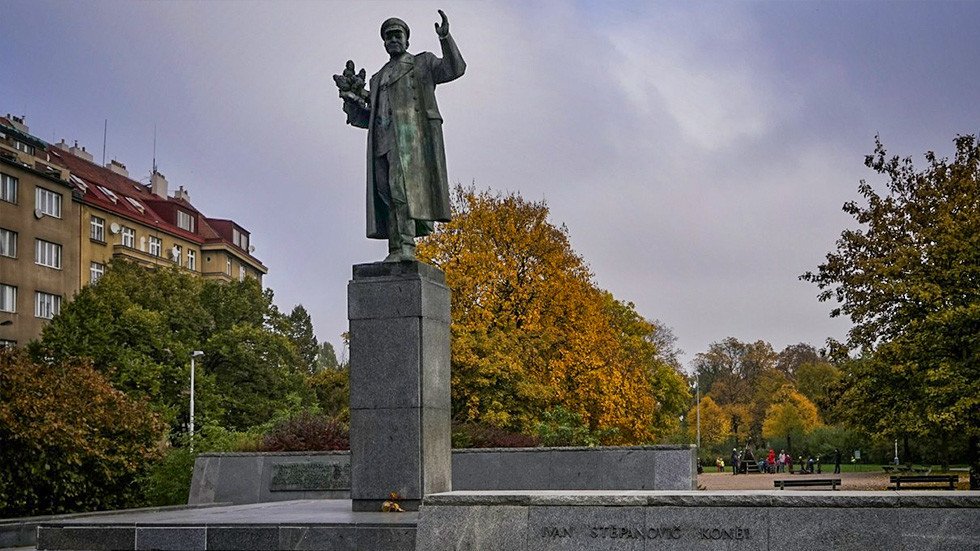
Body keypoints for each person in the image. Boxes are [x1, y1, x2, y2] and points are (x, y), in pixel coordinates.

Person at [339, 11, 466, 262]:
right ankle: (396, 248)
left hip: (411, 143)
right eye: (388, 36)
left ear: (407, 39)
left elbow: (455, 68)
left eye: (397, 35)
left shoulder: (422, 63)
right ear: (384, 42)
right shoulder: (377, 78)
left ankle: (404, 247)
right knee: (386, 192)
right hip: (382, 143)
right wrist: (350, 102)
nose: (393, 39)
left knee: (401, 190)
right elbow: (369, 118)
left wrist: (445, 38)